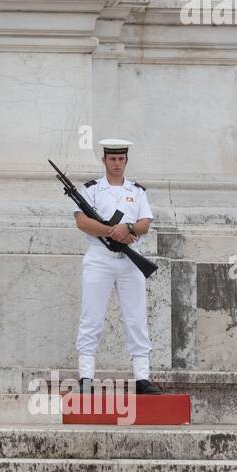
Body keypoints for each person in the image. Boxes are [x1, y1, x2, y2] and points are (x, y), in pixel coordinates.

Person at [72, 139, 163, 395]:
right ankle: (86, 377)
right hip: (99, 257)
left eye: (121, 159)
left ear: (126, 160)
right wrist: (112, 232)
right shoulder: (90, 190)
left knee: (136, 319)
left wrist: (129, 229)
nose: (116, 164)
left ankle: (142, 378)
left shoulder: (137, 191)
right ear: (104, 161)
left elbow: (145, 223)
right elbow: (82, 222)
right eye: (112, 159)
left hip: (129, 259)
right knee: (91, 318)